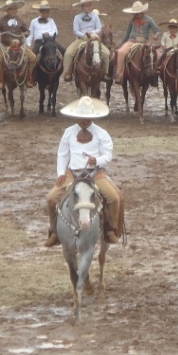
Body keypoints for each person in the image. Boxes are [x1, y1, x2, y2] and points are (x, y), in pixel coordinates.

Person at [43, 96, 123, 247]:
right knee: (51, 198)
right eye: (80, 118)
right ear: (76, 117)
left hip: (95, 174)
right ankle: (54, 232)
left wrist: (97, 161)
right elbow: (62, 154)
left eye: (86, 118)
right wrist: (61, 173)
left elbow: (108, 155)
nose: (83, 121)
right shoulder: (68, 132)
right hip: (72, 174)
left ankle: (110, 229)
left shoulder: (101, 133)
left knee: (114, 198)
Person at [0, 0, 36, 90]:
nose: (14, 10)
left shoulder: (20, 20)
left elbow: (27, 31)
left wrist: (25, 34)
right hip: (5, 46)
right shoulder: (1, 21)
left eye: (15, 9)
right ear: (8, 10)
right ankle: (1, 80)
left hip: (19, 46)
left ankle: (28, 78)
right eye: (12, 9)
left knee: (33, 57)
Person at [63, 0, 110, 82]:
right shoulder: (77, 17)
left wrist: (92, 33)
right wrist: (84, 35)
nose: (88, 7)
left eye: (89, 5)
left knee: (106, 53)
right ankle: (68, 72)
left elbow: (99, 28)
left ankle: (105, 73)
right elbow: (75, 30)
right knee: (68, 53)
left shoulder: (95, 16)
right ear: (82, 7)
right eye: (86, 6)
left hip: (94, 38)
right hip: (81, 39)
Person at [115, 0, 161, 83]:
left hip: (145, 42)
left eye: (136, 13)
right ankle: (119, 74)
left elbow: (157, 31)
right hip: (132, 41)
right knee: (121, 52)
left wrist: (156, 36)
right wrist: (121, 45)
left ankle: (155, 74)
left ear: (141, 12)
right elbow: (127, 34)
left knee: (158, 54)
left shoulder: (149, 20)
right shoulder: (132, 20)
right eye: (134, 13)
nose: (134, 15)